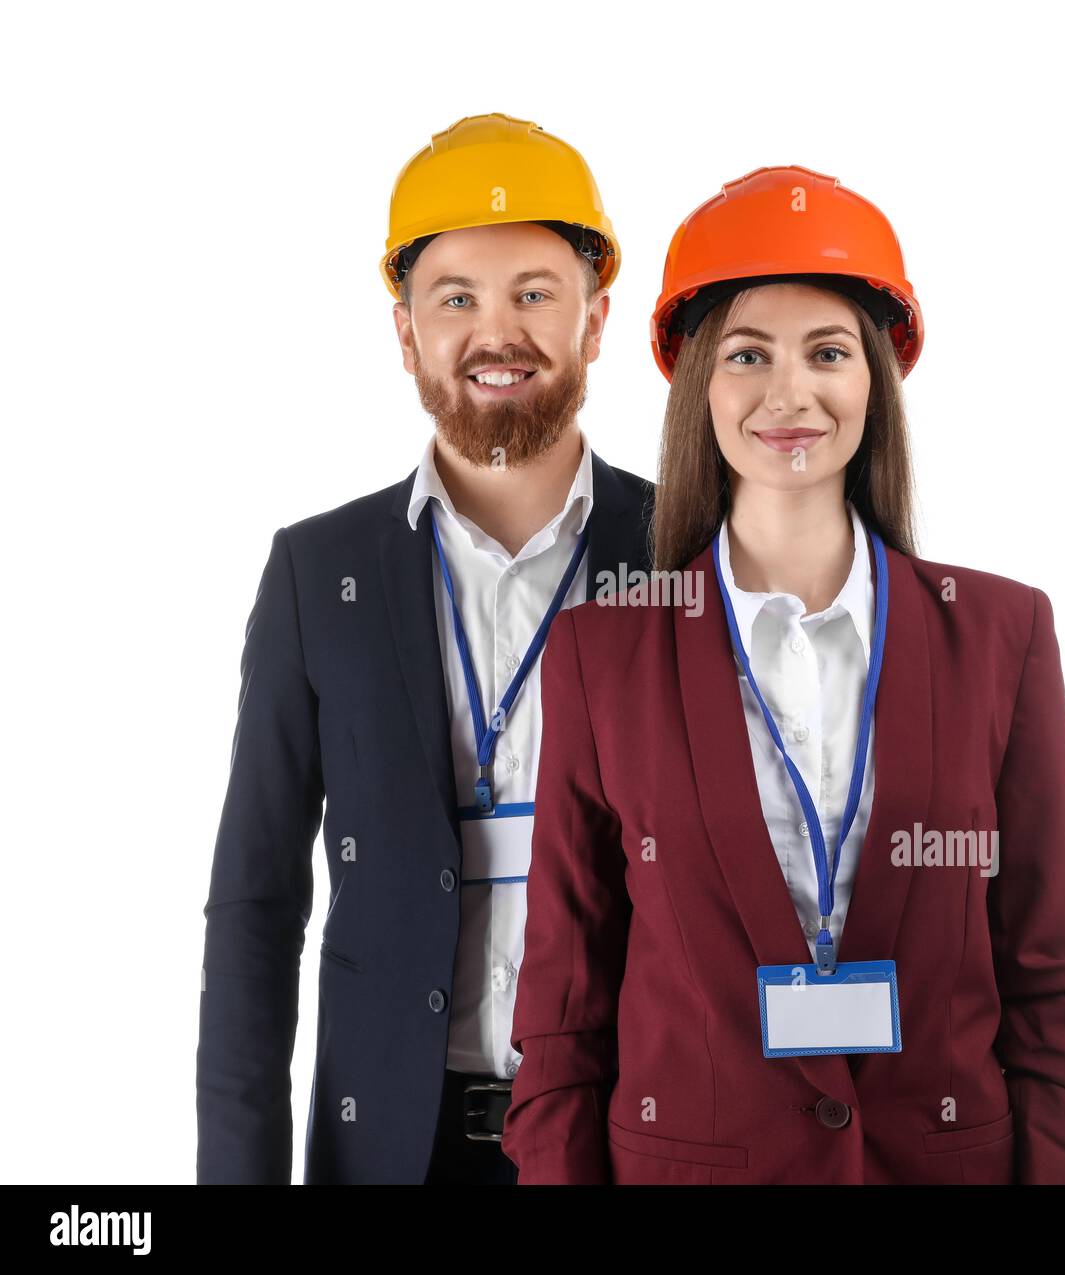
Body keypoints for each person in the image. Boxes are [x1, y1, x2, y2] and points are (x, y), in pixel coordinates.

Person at [501, 165, 1065, 1184]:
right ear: (700, 382)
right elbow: (564, 1014)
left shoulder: (1003, 634)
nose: (790, 393)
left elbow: (1050, 982)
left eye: (827, 352)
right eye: (748, 354)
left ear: (875, 375)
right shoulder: (601, 655)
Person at [196, 113, 654, 1184]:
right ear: (406, 334)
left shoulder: (689, 552)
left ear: (594, 323)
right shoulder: (318, 574)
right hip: (392, 1153)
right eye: (457, 298)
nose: (498, 332)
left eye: (534, 292)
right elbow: (256, 906)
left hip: (633, 1141)